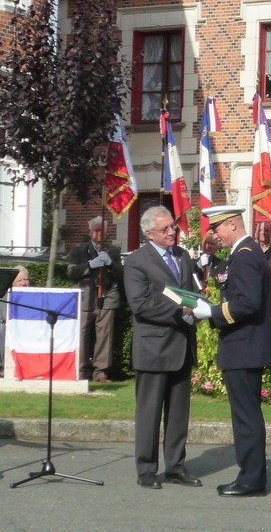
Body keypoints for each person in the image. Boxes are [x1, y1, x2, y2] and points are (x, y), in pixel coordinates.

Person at [192, 206, 271, 498]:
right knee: (247, 414)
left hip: (243, 346)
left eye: (217, 229)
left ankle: (252, 478)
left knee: (245, 417)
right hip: (246, 346)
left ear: (232, 224)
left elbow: (247, 303)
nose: (214, 235)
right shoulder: (246, 253)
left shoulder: (244, 257)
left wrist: (213, 313)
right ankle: (251, 473)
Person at [123, 206, 200, 490]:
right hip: (154, 348)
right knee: (149, 413)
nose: (172, 232)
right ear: (148, 233)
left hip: (181, 346)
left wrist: (199, 306)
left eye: (172, 227)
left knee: (179, 414)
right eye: (165, 229)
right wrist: (178, 312)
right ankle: (146, 469)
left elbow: (194, 292)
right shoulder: (136, 262)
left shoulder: (183, 256)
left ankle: (176, 467)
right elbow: (140, 305)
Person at [66, 215, 124, 382]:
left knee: (104, 335)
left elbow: (121, 275)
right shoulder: (79, 250)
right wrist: (90, 265)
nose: (99, 234)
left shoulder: (113, 251)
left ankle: (100, 371)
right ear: (90, 231)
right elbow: (71, 272)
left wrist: (110, 264)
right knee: (82, 334)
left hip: (107, 296)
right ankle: (81, 369)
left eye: (102, 231)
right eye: (96, 231)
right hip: (86, 297)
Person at [0, 266, 31, 378]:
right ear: (12, 282)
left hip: (31, 330)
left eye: (26, 279)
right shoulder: (3, 297)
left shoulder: (36, 295)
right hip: (10, 330)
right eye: (19, 280)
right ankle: (0, 369)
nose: (23, 283)